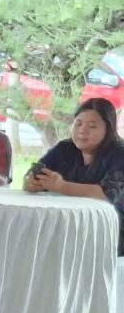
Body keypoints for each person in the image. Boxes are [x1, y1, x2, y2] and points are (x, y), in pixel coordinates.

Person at [26, 97, 124, 254]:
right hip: (67, 223)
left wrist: (62, 186)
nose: (82, 130)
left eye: (92, 126)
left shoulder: (119, 153)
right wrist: (32, 182)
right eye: (78, 124)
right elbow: (34, 172)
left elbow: (108, 194)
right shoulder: (64, 148)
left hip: (110, 230)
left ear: (108, 129)